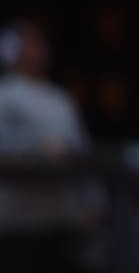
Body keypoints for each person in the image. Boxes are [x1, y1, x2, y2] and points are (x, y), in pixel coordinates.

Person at [0, 20, 99, 273]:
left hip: (62, 218)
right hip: (17, 220)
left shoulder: (60, 100)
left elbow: (82, 153)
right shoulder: (5, 95)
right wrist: (34, 148)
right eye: (32, 44)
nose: (40, 50)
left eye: (41, 44)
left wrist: (92, 202)